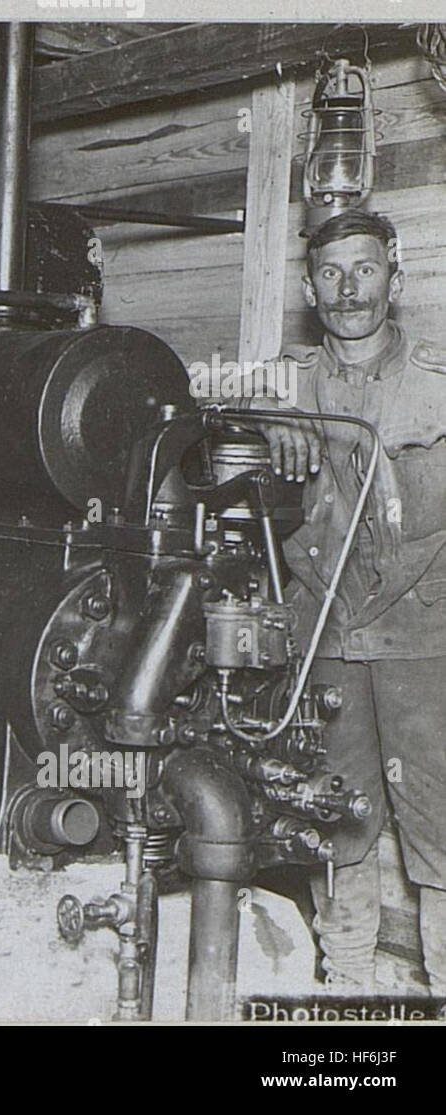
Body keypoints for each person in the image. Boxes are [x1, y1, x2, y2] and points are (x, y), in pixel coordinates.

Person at [253, 208, 446, 996]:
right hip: (325, 637)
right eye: (330, 274)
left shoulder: (438, 383)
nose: (348, 290)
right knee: (337, 822)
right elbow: (209, 435)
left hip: (423, 639)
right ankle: (348, 997)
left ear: (393, 279)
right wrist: (271, 424)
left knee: (439, 827)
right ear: (308, 287)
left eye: (364, 270)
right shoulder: (279, 382)